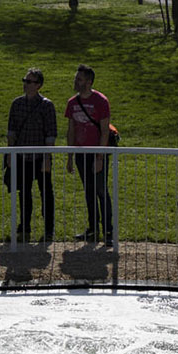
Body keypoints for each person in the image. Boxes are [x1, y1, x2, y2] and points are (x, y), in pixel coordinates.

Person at [64, 63, 113, 244]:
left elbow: (105, 131)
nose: (76, 81)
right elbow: (71, 131)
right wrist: (70, 156)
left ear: (89, 82)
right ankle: (93, 228)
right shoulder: (72, 103)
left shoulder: (101, 101)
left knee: (100, 190)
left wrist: (100, 157)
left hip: (97, 152)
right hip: (80, 153)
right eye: (76, 78)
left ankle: (108, 231)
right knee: (89, 191)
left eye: (79, 79)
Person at [7, 68, 57, 242]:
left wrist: (47, 158)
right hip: (22, 157)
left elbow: (50, 134)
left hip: (40, 157)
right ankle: (25, 226)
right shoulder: (17, 104)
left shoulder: (47, 105)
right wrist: (10, 155)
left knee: (46, 194)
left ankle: (49, 229)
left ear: (39, 85)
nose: (26, 84)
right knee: (24, 193)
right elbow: (11, 131)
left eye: (30, 82)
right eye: (25, 81)